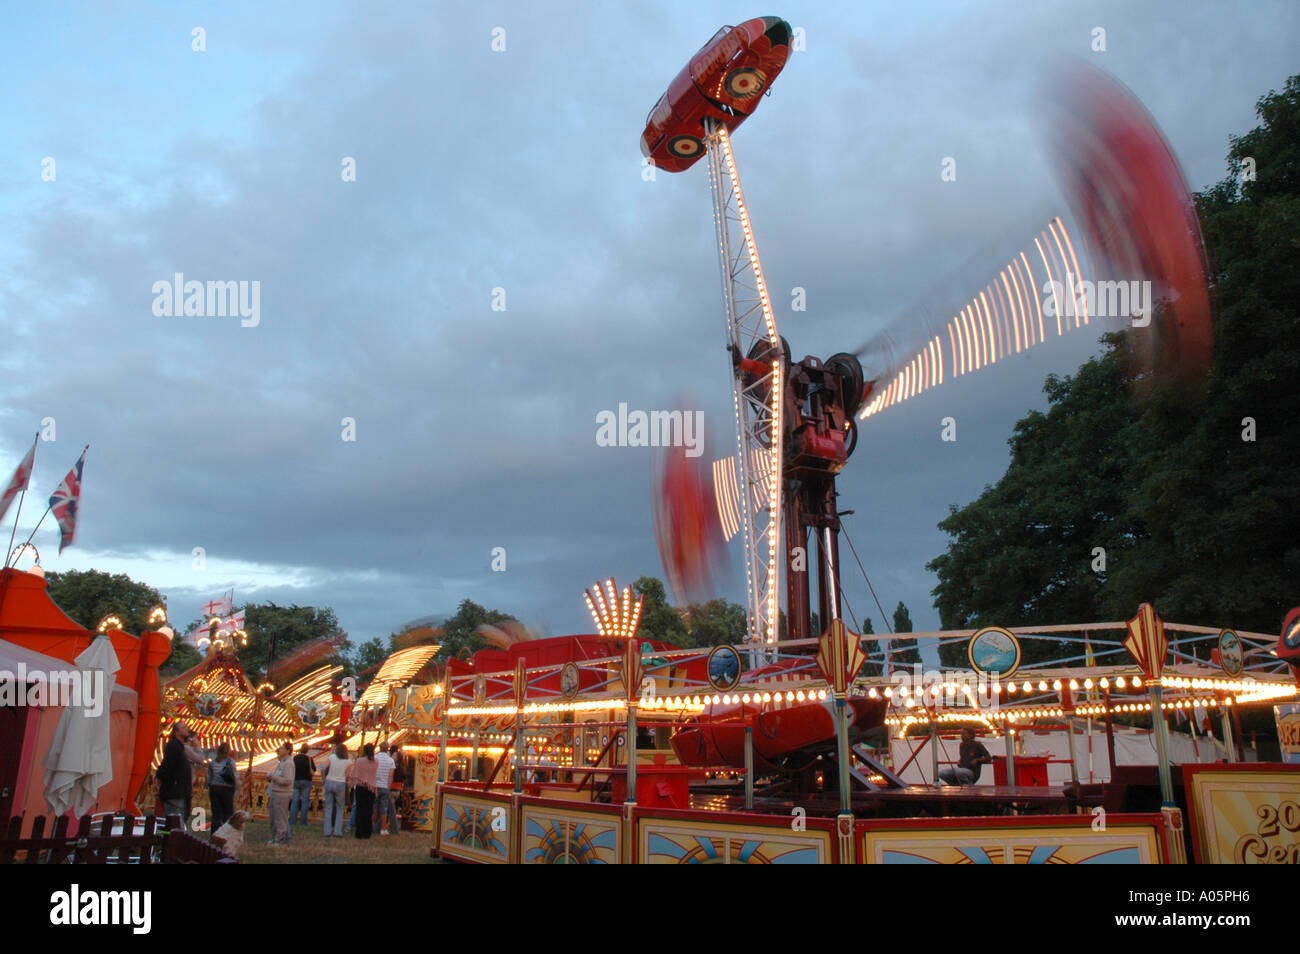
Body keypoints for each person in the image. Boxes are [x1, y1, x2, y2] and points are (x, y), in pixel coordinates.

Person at [156, 723, 204, 822]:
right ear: (176, 732)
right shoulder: (174, 747)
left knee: (177, 819)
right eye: (183, 727)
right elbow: (166, 766)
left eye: (187, 727)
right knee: (174, 821)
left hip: (180, 789)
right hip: (175, 791)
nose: (187, 729)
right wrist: (161, 780)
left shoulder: (180, 747)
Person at [267, 742, 295, 845]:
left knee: (280, 818)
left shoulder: (289, 764)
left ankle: (280, 838)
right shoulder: (282, 763)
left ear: (288, 751)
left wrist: (274, 778)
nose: (280, 750)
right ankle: (275, 837)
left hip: (282, 794)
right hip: (276, 792)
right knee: (274, 817)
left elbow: (288, 780)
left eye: (282, 748)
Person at [206, 742, 239, 833]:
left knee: (216, 813)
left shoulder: (213, 762)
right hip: (227, 788)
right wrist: (236, 787)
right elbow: (235, 775)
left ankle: (215, 832)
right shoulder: (230, 762)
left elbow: (208, 776)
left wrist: (211, 785)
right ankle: (226, 832)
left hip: (214, 787)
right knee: (227, 812)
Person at [321, 743, 350, 836]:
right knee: (340, 807)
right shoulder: (348, 761)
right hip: (340, 783)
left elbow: (323, 768)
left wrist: (324, 779)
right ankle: (337, 831)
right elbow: (347, 775)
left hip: (329, 781)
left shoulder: (332, 757)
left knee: (328, 807)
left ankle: (327, 831)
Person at [350, 744, 378, 839]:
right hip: (371, 788)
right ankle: (367, 832)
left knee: (360, 809)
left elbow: (355, 773)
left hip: (361, 787)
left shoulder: (359, 761)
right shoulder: (376, 762)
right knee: (369, 810)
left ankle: (359, 832)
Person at [374, 744, 396, 836]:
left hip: (375, 786)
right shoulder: (390, 760)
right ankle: (383, 829)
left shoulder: (375, 758)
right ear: (387, 749)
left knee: (373, 807)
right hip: (385, 786)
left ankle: (371, 827)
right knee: (384, 809)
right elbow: (391, 775)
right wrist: (388, 786)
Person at [290, 744, 313, 828]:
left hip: (296, 780)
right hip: (306, 780)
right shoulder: (309, 759)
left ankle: (292, 820)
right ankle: (303, 821)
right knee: (305, 801)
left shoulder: (295, 758)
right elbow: (313, 770)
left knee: (295, 801)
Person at [386, 744, 404, 835]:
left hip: (392, 789)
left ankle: (391, 828)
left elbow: (391, 777)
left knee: (388, 810)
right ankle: (390, 827)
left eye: (394, 755)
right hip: (397, 790)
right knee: (390, 809)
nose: (392, 756)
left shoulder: (394, 767)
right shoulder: (402, 767)